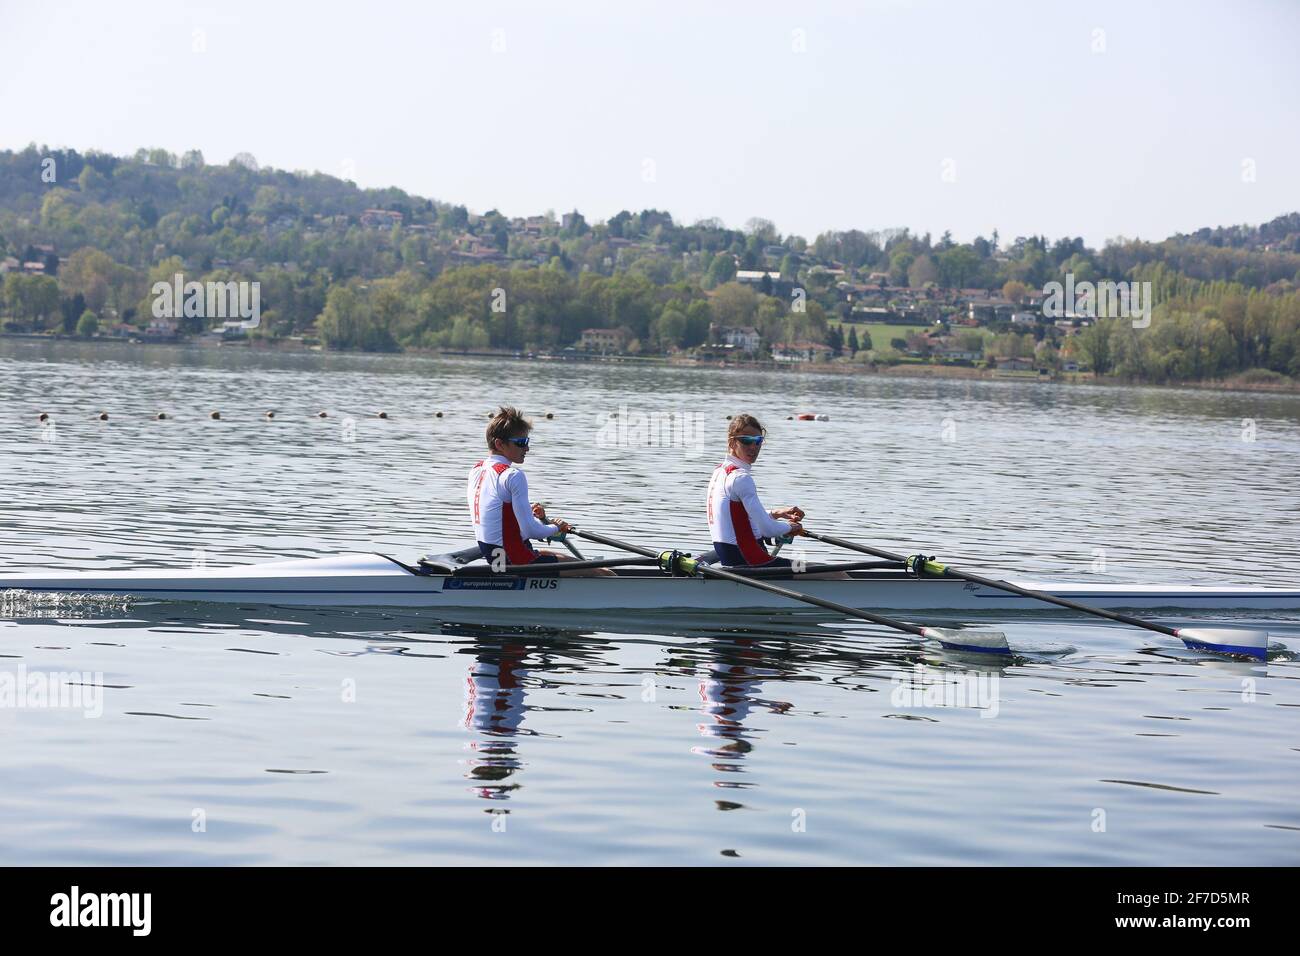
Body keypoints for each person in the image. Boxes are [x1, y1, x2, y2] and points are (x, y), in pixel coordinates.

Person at [468, 406, 613, 575]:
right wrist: (556, 527)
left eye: (527, 442)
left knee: (558, 557)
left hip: (496, 557)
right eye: (521, 443)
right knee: (602, 573)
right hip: (516, 560)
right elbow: (531, 532)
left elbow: (496, 515)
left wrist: (533, 516)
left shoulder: (477, 469)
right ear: (500, 444)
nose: (527, 449)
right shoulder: (513, 475)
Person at [706, 414, 846, 577]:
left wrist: (775, 513)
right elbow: (767, 529)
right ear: (732, 442)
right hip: (753, 564)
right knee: (838, 575)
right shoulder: (741, 478)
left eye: (758, 441)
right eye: (746, 440)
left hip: (735, 562)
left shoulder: (719, 472)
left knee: (823, 571)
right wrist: (791, 527)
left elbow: (738, 519)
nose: (753, 447)